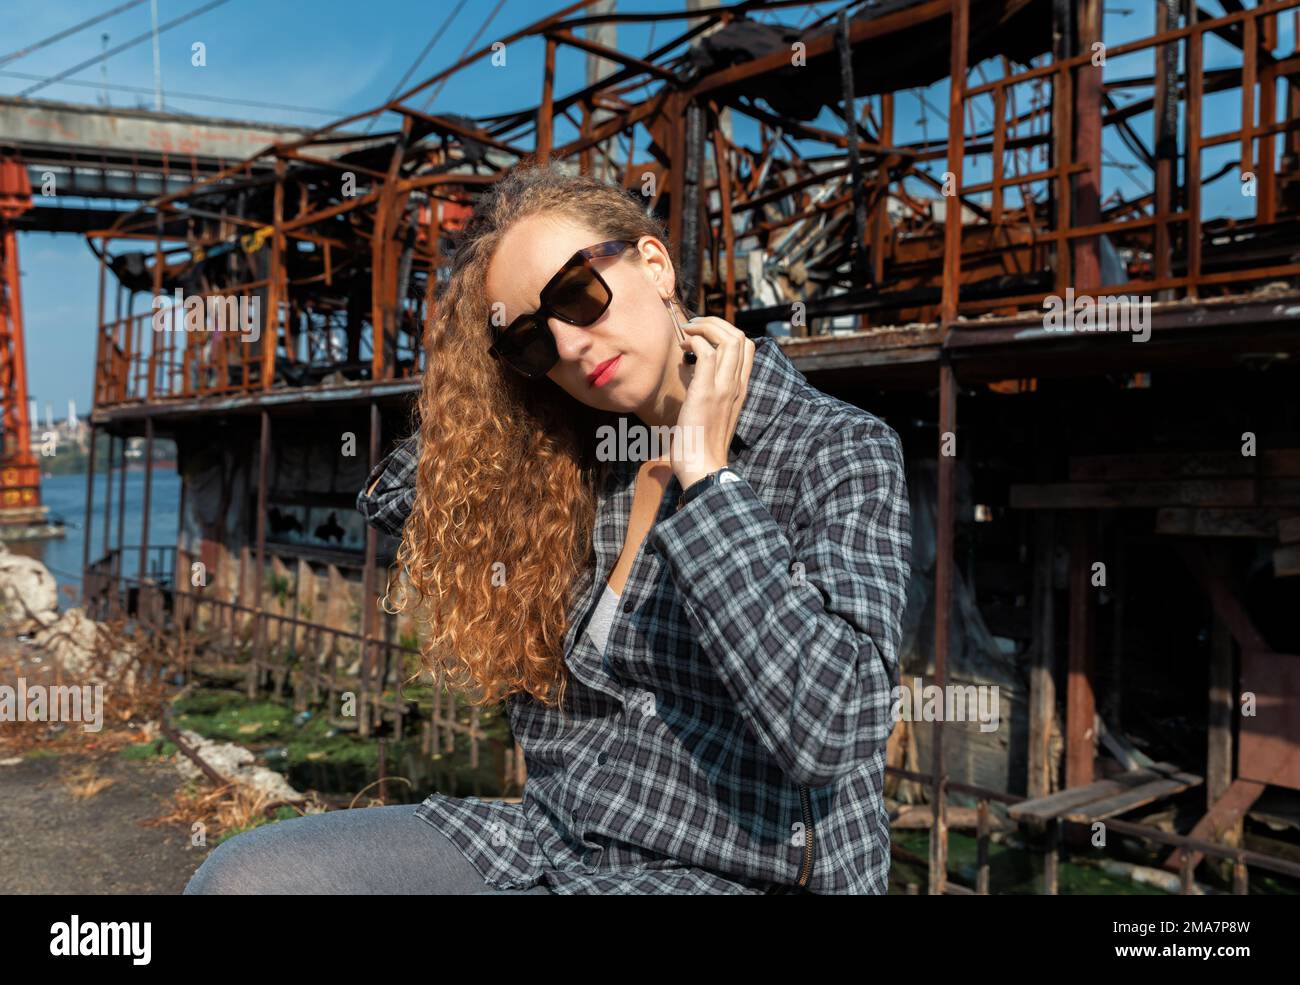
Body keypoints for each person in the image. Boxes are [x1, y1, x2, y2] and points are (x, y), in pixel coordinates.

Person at [185, 162, 911, 895]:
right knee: (243, 880)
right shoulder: (582, 457)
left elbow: (834, 728)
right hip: (552, 842)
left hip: (737, 873)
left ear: (653, 263)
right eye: (532, 340)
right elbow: (405, 497)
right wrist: (496, 390)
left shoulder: (836, 447)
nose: (568, 344)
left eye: (578, 295)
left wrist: (707, 476)